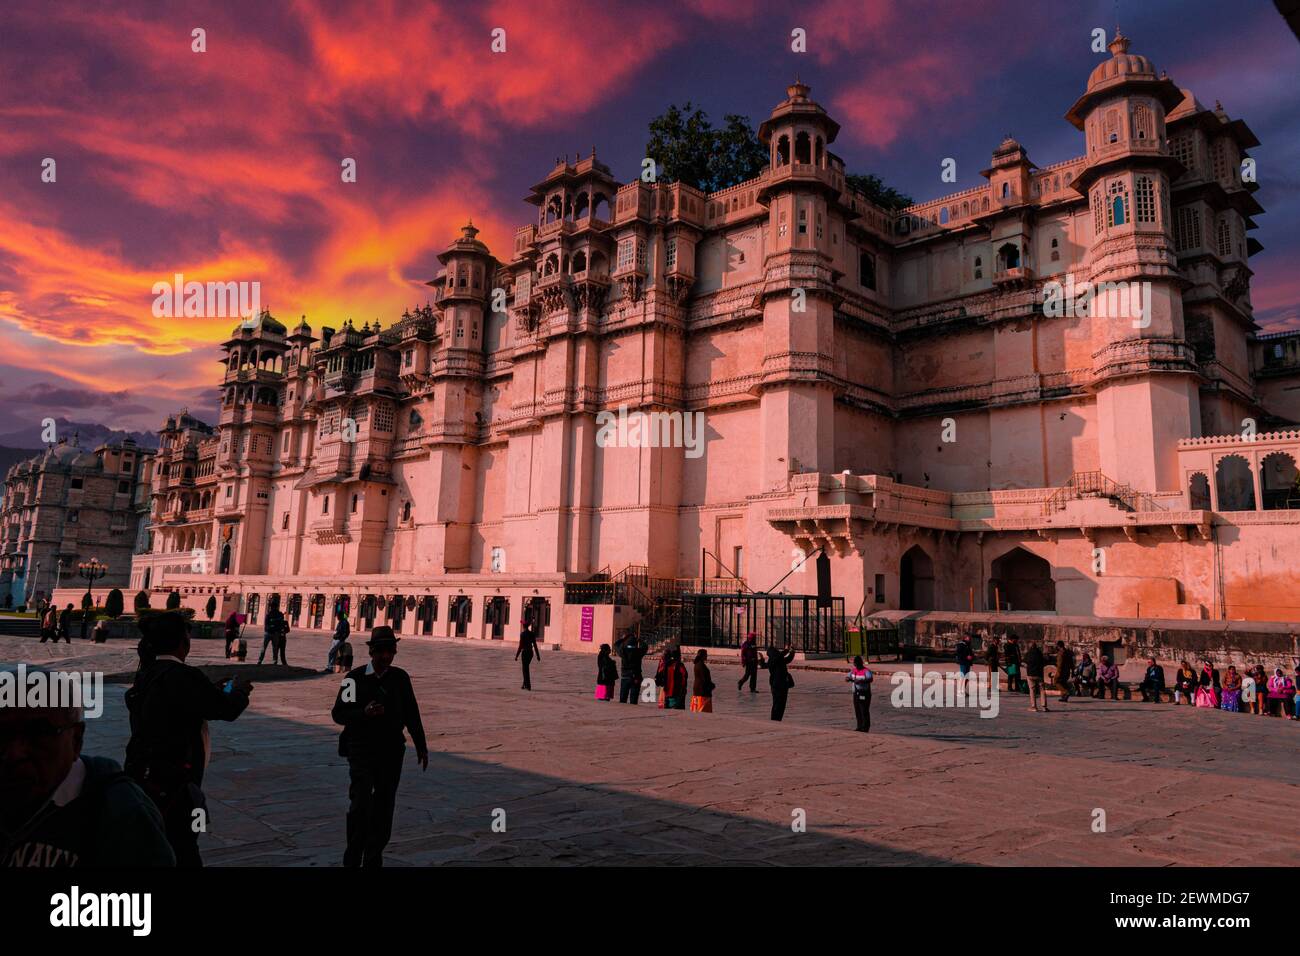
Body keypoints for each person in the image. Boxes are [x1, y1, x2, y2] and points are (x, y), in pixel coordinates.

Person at [1, 667, 176, 867]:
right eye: (3, 733)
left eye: (38, 734)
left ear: (76, 739)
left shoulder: (123, 815)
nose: (15, 752)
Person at [123, 611, 252, 867]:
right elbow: (224, 710)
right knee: (183, 844)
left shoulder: (148, 673)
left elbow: (187, 702)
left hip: (144, 773)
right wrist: (239, 692)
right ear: (183, 642)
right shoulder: (181, 675)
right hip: (175, 781)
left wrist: (213, 689)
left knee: (159, 840)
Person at [331, 627, 428, 868]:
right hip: (361, 748)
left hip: (391, 750)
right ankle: (353, 854)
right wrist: (363, 712)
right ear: (372, 652)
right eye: (381, 652)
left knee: (385, 806)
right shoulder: (354, 679)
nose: (386, 657)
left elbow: (411, 713)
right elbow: (339, 713)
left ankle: (374, 858)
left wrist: (421, 745)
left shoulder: (400, 678)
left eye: (390, 652)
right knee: (361, 803)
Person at [759, 644, 797, 721]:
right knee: (781, 703)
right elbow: (788, 658)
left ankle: (775, 718)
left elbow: (763, 665)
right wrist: (790, 651)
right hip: (781, 684)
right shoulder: (778, 658)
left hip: (775, 685)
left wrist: (761, 659)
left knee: (777, 703)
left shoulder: (773, 660)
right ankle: (776, 718)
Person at [615, 632, 647, 704]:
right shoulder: (638, 652)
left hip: (625, 676)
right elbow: (645, 646)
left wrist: (623, 639)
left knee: (623, 698)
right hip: (636, 676)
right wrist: (639, 639)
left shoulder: (623, 651)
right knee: (634, 699)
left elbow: (616, 645)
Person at [845, 655, 873, 732]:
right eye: (855, 664)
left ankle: (865, 727)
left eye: (857, 664)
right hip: (856, 693)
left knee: (864, 710)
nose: (856, 665)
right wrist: (848, 679)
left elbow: (870, 679)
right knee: (857, 710)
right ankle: (859, 726)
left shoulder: (866, 671)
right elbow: (848, 676)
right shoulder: (853, 670)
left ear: (861, 663)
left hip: (864, 693)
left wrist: (861, 681)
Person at [1024, 641, 1048, 712]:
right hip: (1039, 674)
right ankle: (1044, 706)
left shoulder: (1028, 654)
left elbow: (1025, 662)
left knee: (1032, 690)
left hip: (1030, 674)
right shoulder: (1039, 654)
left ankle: (1034, 706)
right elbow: (1044, 661)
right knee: (1042, 690)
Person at [515, 622, 541, 690]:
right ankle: (524, 684)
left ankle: (528, 685)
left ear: (523, 626)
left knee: (525, 669)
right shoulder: (532, 634)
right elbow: (535, 645)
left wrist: (517, 655)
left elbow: (520, 646)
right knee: (526, 668)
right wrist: (538, 655)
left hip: (525, 653)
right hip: (530, 653)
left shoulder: (522, 634)